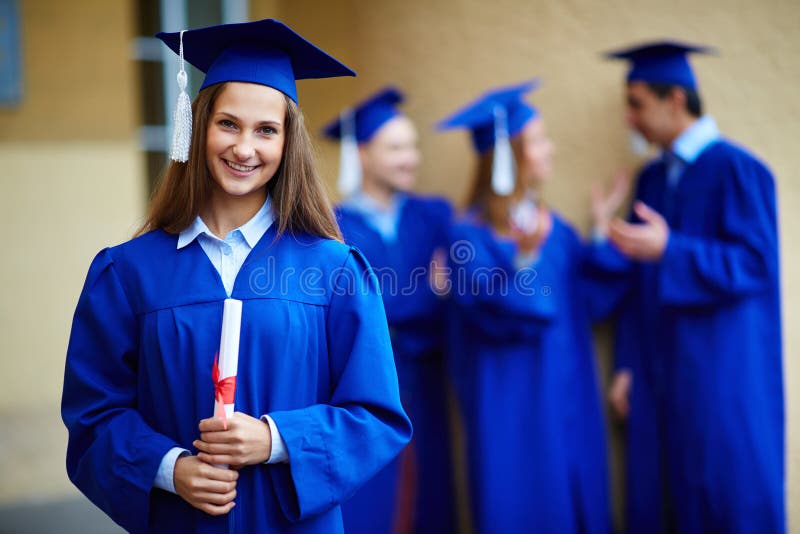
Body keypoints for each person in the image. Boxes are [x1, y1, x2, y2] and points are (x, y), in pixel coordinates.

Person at [60, 19, 412, 534]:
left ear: (287, 143)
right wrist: (169, 469)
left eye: (266, 130)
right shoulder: (128, 272)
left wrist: (276, 440)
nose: (245, 148)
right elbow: (93, 415)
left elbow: (376, 417)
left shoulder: (334, 270)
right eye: (228, 124)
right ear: (199, 126)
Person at [594, 41, 784, 533]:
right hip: (660, 373)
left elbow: (756, 265)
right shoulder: (652, 180)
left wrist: (671, 250)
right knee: (666, 501)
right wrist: (626, 363)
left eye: (636, 104)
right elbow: (638, 280)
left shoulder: (739, 170)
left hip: (723, 373)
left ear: (675, 99)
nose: (629, 119)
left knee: (728, 495)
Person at [437, 79, 611, 534]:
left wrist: (601, 236)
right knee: (520, 503)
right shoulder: (467, 237)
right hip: (510, 401)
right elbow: (498, 316)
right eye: (538, 141)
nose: (551, 149)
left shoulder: (558, 228)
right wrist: (526, 260)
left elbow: (589, 302)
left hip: (568, 391)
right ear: (509, 155)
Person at [321, 87, 456, 534]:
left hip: (426, 380)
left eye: (413, 146)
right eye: (396, 148)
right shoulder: (332, 227)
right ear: (362, 153)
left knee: (431, 500)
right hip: (366, 384)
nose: (411, 159)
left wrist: (406, 305)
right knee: (374, 502)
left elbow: (454, 292)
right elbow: (357, 309)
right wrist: (429, 294)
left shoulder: (434, 215)